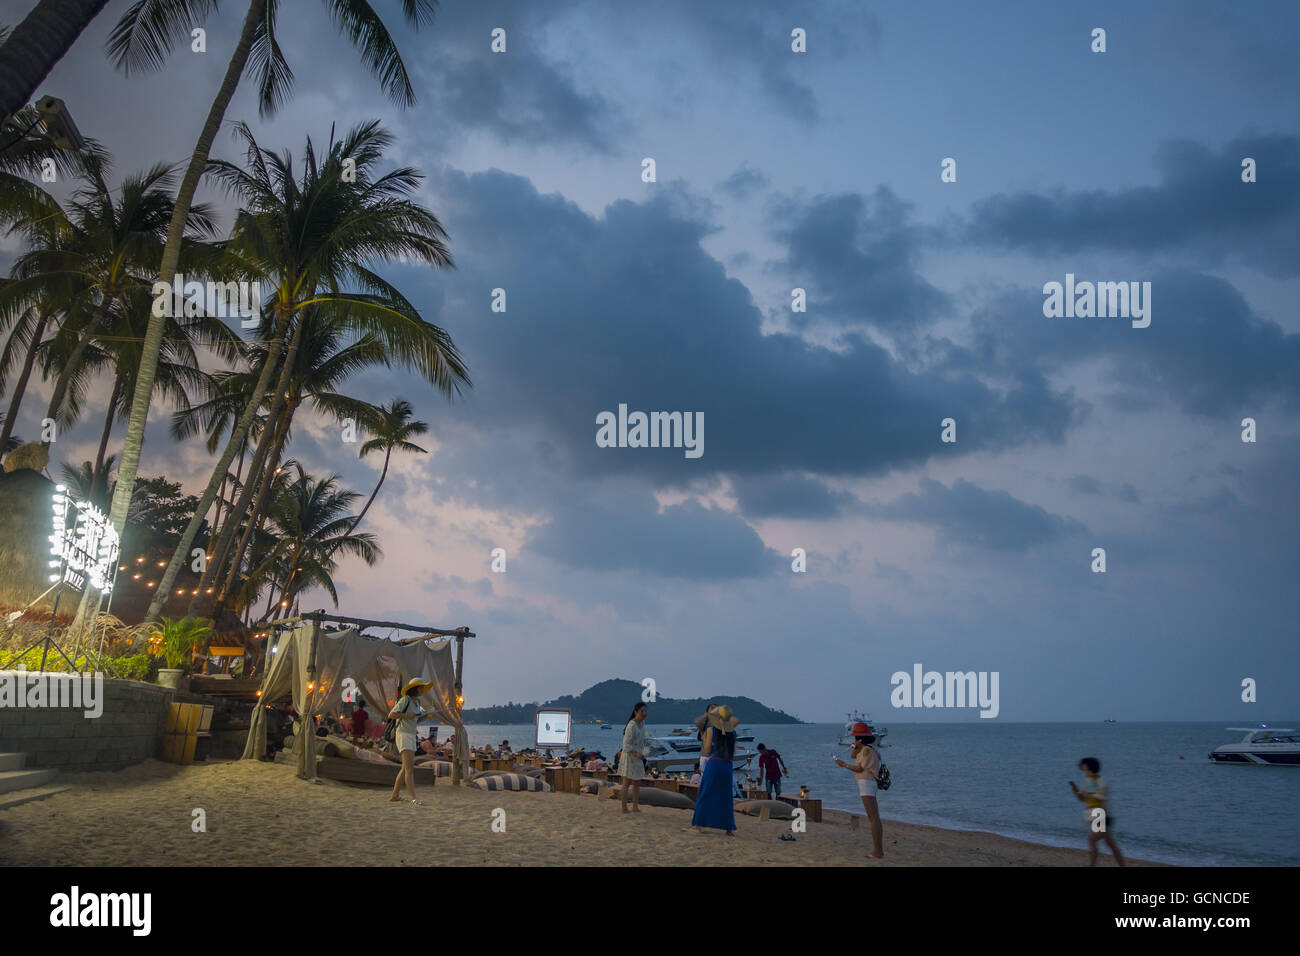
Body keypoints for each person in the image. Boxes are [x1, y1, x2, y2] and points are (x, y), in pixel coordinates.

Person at [835, 721, 884, 858]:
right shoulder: (868, 747)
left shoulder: (867, 750)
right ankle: (878, 850)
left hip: (867, 783)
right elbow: (853, 756)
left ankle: (878, 851)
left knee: (873, 817)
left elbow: (859, 768)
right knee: (873, 817)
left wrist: (843, 765)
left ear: (859, 737)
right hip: (868, 783)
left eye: (855, 737)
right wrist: (855, 746)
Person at [691, 705, 738, 835]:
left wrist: (704, 736)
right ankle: (728, 829)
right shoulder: (731, 731)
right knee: (726, 797)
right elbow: (735, 720)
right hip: (727, 766)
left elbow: (707, 750)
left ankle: (698, 825)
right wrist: (723, 714)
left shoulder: (711, 730)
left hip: (715, 763)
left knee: (704, 794)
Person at [1071, 757, 1125, 867]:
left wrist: (1086, 795)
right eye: (1083, 769)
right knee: (1110, 843)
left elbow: (1100, 797)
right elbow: (1083, 799)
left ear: (1092, 769)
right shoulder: (1087, 782)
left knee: (1092, 839)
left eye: (1086, 769)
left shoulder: (1102, 782)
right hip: (1094, 816)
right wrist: (1076, 793)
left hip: (1102, 815)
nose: (1084, 772)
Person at [388, 679, 434, 805]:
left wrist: (427, 716)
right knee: (409, 768)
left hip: (411, 735)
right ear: (415, 688)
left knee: (405, 768)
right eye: (421, 687)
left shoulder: (417, 703)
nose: (422, 690)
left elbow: (415, 721)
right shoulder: (405, 700)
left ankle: (395, 795)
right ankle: (414, 798)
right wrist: (406, 716)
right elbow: (391, 714)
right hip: (403, 734)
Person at [618, 702, 651, 814]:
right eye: (642, 711)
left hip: (638, 757)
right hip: (630, 756)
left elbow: (644, 739)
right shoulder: (631, 725)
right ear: (636, 712)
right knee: (626, 783)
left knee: (637, 783)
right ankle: (624, 808)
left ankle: (635, 807)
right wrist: (636, 753)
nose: (644, 713)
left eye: (645, 711)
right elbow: (626, 744)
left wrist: (645, 751)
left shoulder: (643, 724)